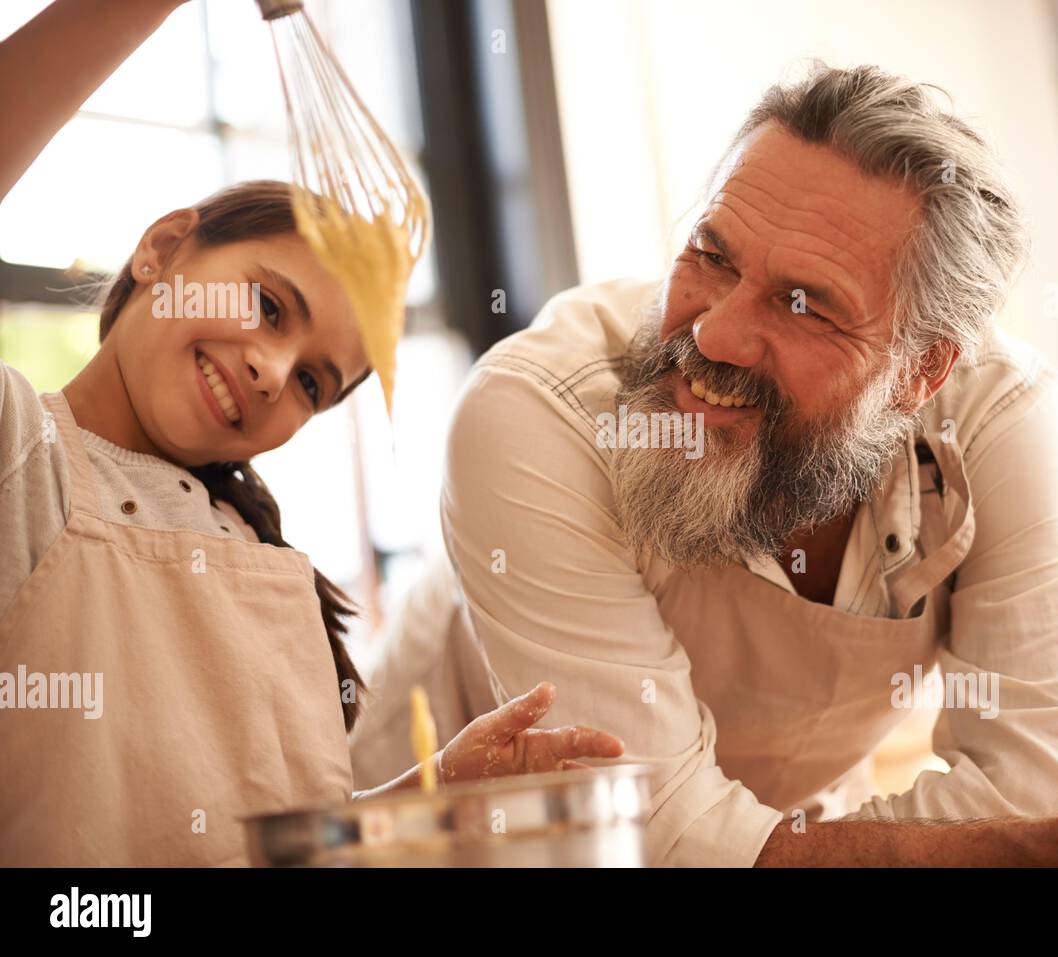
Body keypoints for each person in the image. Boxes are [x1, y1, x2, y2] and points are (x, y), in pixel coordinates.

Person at [431, 62, 1058, 866]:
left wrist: (773, 848)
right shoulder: (537, 413)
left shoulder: (998, 413)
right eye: (712, 255)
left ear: (922, 372)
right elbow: (664, 840)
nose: (713, 334)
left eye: (805, 305)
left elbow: (1043, 788)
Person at [0, 0, 622, 866]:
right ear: (164, 247)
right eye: (266, 304)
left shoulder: (255, 552)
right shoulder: (22, 455)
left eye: (311, 382)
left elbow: (264, 844)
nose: (270, 369)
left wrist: (423, 797)